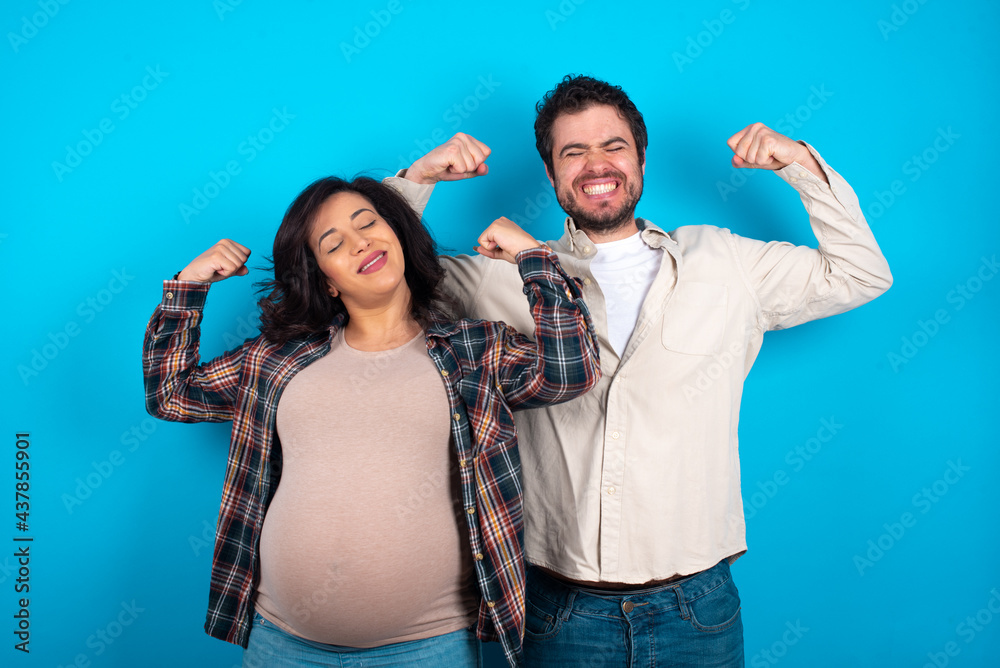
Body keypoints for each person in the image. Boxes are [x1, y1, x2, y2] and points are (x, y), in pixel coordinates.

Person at [388, 74, 893, 666]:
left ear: (642, 159)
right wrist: (416, 181)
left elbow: (861, 273)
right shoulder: (498, 276)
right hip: (557, 611)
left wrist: (800, 164)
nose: (595, 164)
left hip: (697, 610)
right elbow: (374, 281)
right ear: (551, 174)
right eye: (572, 152)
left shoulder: (726, 261)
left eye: (614, 146)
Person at [142, 175, 599, 667]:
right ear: (326, 280)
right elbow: (171, 393)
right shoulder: (275, 359)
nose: (360, 242)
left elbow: (571, 369)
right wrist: (188, 287)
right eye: (334, 243)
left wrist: (533, 258)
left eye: (369, 223)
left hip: (430, 647)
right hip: (281, 643)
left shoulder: (474, 351)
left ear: (398, 234)